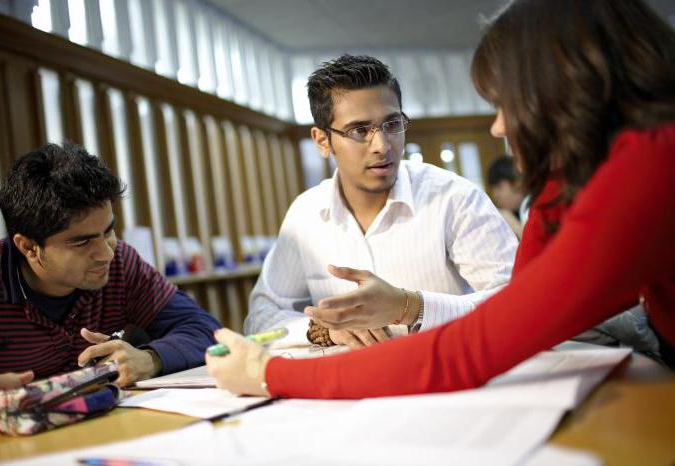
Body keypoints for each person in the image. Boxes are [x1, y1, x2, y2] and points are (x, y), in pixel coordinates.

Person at [206, 0, 675, 398]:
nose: (499, 126)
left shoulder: (647, 170)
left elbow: (485, 335)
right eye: (359, 130)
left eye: (504, 103)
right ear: (322, 140)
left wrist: (269, 374)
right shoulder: (610, 167)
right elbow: (521, 298)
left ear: (563, 93)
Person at [245, 54, 517, 348]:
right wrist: (320, 330)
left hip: (446, 377)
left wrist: (411, 306)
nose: (382, 146)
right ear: (322, 141)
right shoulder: (306, 214)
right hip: (347, 384)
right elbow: (260, 317)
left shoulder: (454, 197)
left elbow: (518, 303)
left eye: (392, 124)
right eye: (359, 131)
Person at [0, 143, 221, 432]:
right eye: (81, 242)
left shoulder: (120, 264)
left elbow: (205, 329)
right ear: (28, 247)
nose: (105, 252)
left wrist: (150, 358)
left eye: (109, 231)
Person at [486, 155, 524, 238]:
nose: (495, 194)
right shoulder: (511, 213)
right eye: (492, 189)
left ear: (518, 182)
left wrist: (516, 226)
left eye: (499, 186)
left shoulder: (537, 206)